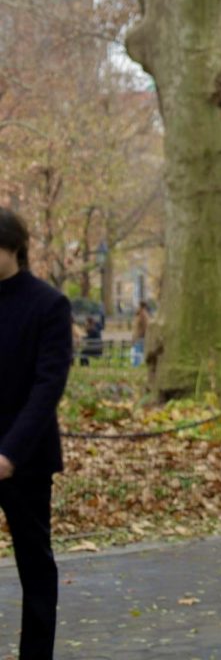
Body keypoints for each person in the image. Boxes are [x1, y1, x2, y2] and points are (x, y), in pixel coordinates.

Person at [0, 208, 73, 659]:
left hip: (24, 459)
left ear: (12, 246)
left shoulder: (48, 304)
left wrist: (10, 453)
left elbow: (48, 386)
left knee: (35, 565)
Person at [131, 301, 150, 367]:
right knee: (139, 353)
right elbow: (146, 327)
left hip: (137, 337)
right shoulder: (143, 315)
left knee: (137, 353)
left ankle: (136, 366)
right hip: (141, 337)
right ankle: (137, 366)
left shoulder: (139, 314)